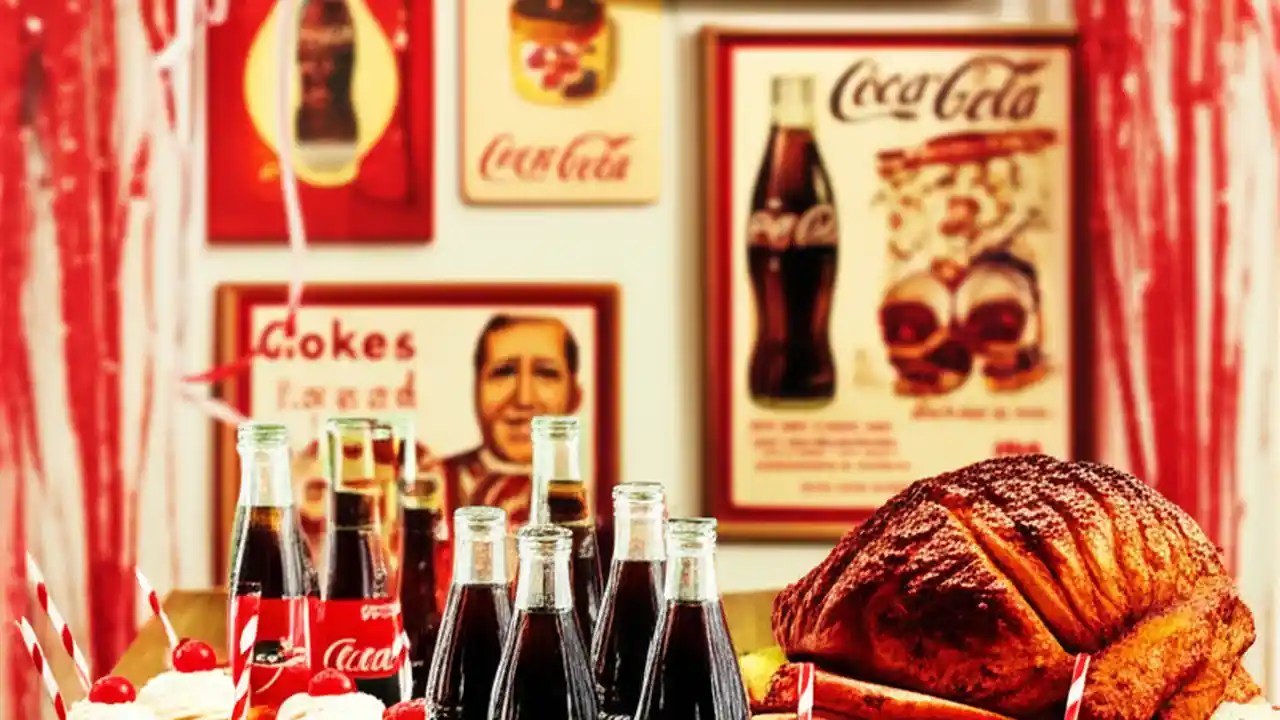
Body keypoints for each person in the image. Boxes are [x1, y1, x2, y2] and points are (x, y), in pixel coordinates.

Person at [441, 314, 583, 526]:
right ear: (476, 389)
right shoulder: (433, 484)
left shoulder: (597, 502)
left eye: (546, 373)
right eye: (503, 372)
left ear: (575, 394)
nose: (524, 398)